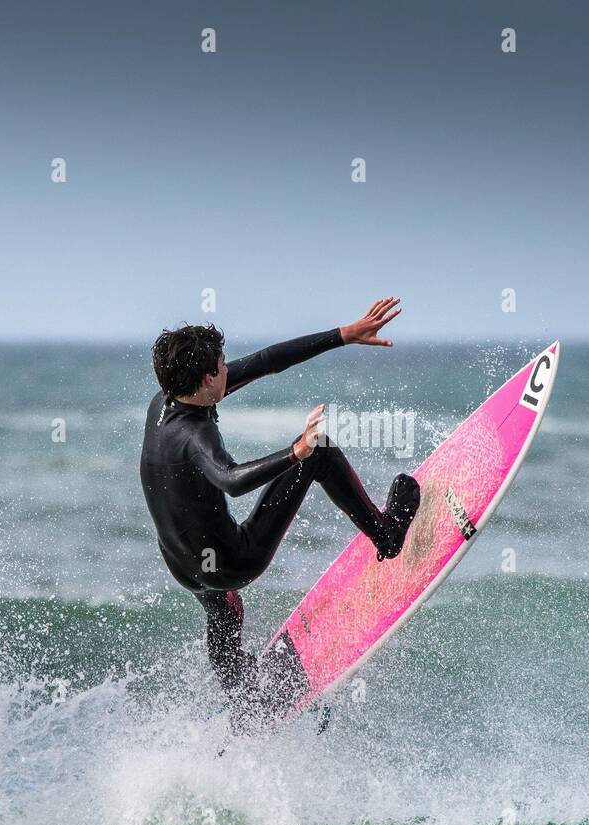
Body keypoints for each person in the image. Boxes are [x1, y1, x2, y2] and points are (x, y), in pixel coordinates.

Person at [139, 297, 420, 727]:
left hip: (183, 564)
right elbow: (230, 478)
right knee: (320, 453)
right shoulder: (195, 434)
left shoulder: (168, 400)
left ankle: (243, 697)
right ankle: (387, 535)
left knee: (224, 610)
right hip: (234, 560)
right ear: (208, 377)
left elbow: (268, 360)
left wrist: (344, 334)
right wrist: (296, 451)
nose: (231, 369)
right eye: (223, 365)